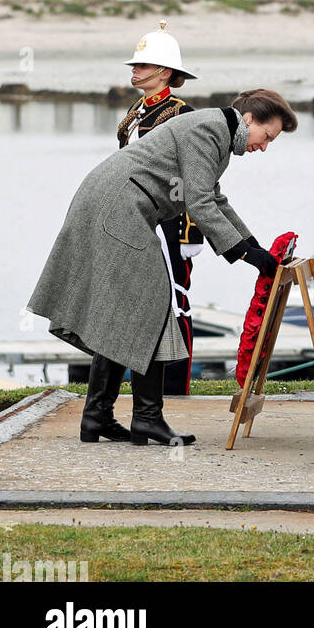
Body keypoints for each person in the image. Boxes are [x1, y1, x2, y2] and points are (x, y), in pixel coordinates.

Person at [28, 89, 297, 446]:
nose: (264, 146)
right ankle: (146, 419)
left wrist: (256, 248)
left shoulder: (217, 129)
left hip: (117, 203)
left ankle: (97, 417)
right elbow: (199, 203)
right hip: (118, 208)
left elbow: (215, 197)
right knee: (153, 301)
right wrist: (248, 255)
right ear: (249, 120)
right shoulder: (210, 130)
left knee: (124, 310)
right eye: (267, 137)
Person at [117, 21, 199, 395]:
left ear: (165, 72)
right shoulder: (137, 111)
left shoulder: (181, 113)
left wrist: (188, 231)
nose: (135, 70)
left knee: (174, 299)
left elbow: (197, 175)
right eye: (135, 65)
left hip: (169, 222)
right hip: (136, 218)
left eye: (143, 65)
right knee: (136, 297)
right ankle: (143, 384)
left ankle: (176, 386)